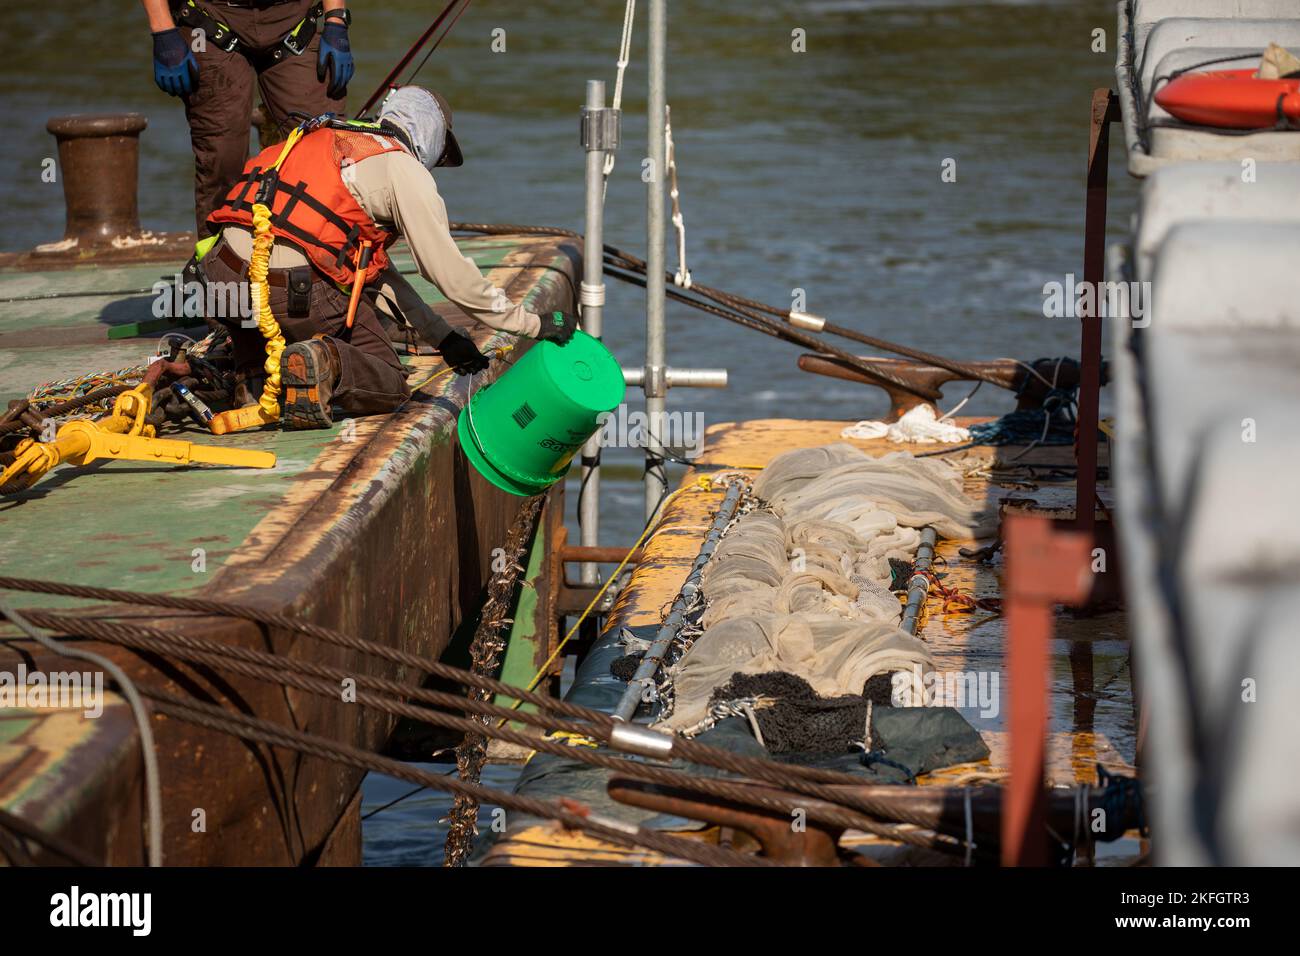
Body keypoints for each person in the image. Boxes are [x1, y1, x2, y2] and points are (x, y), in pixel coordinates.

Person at [200, 86, 580, 429]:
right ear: (431, 137)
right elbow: (448, 274)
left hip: (220, 275)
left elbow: (375, 273)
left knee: (281, 305)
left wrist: (443, 338)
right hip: (287, 289)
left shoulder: (331, 139)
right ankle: (323, 360)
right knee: (389, 379)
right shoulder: (403, 168)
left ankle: (251, 376)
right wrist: (530, 323)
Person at [142, 0, 356, 236]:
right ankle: (218, 263)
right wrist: (163, 30)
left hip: (295, 19)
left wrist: (336, 19)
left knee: (325, 149)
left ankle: (336, 258)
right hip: (209, 19)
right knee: (222, 157)